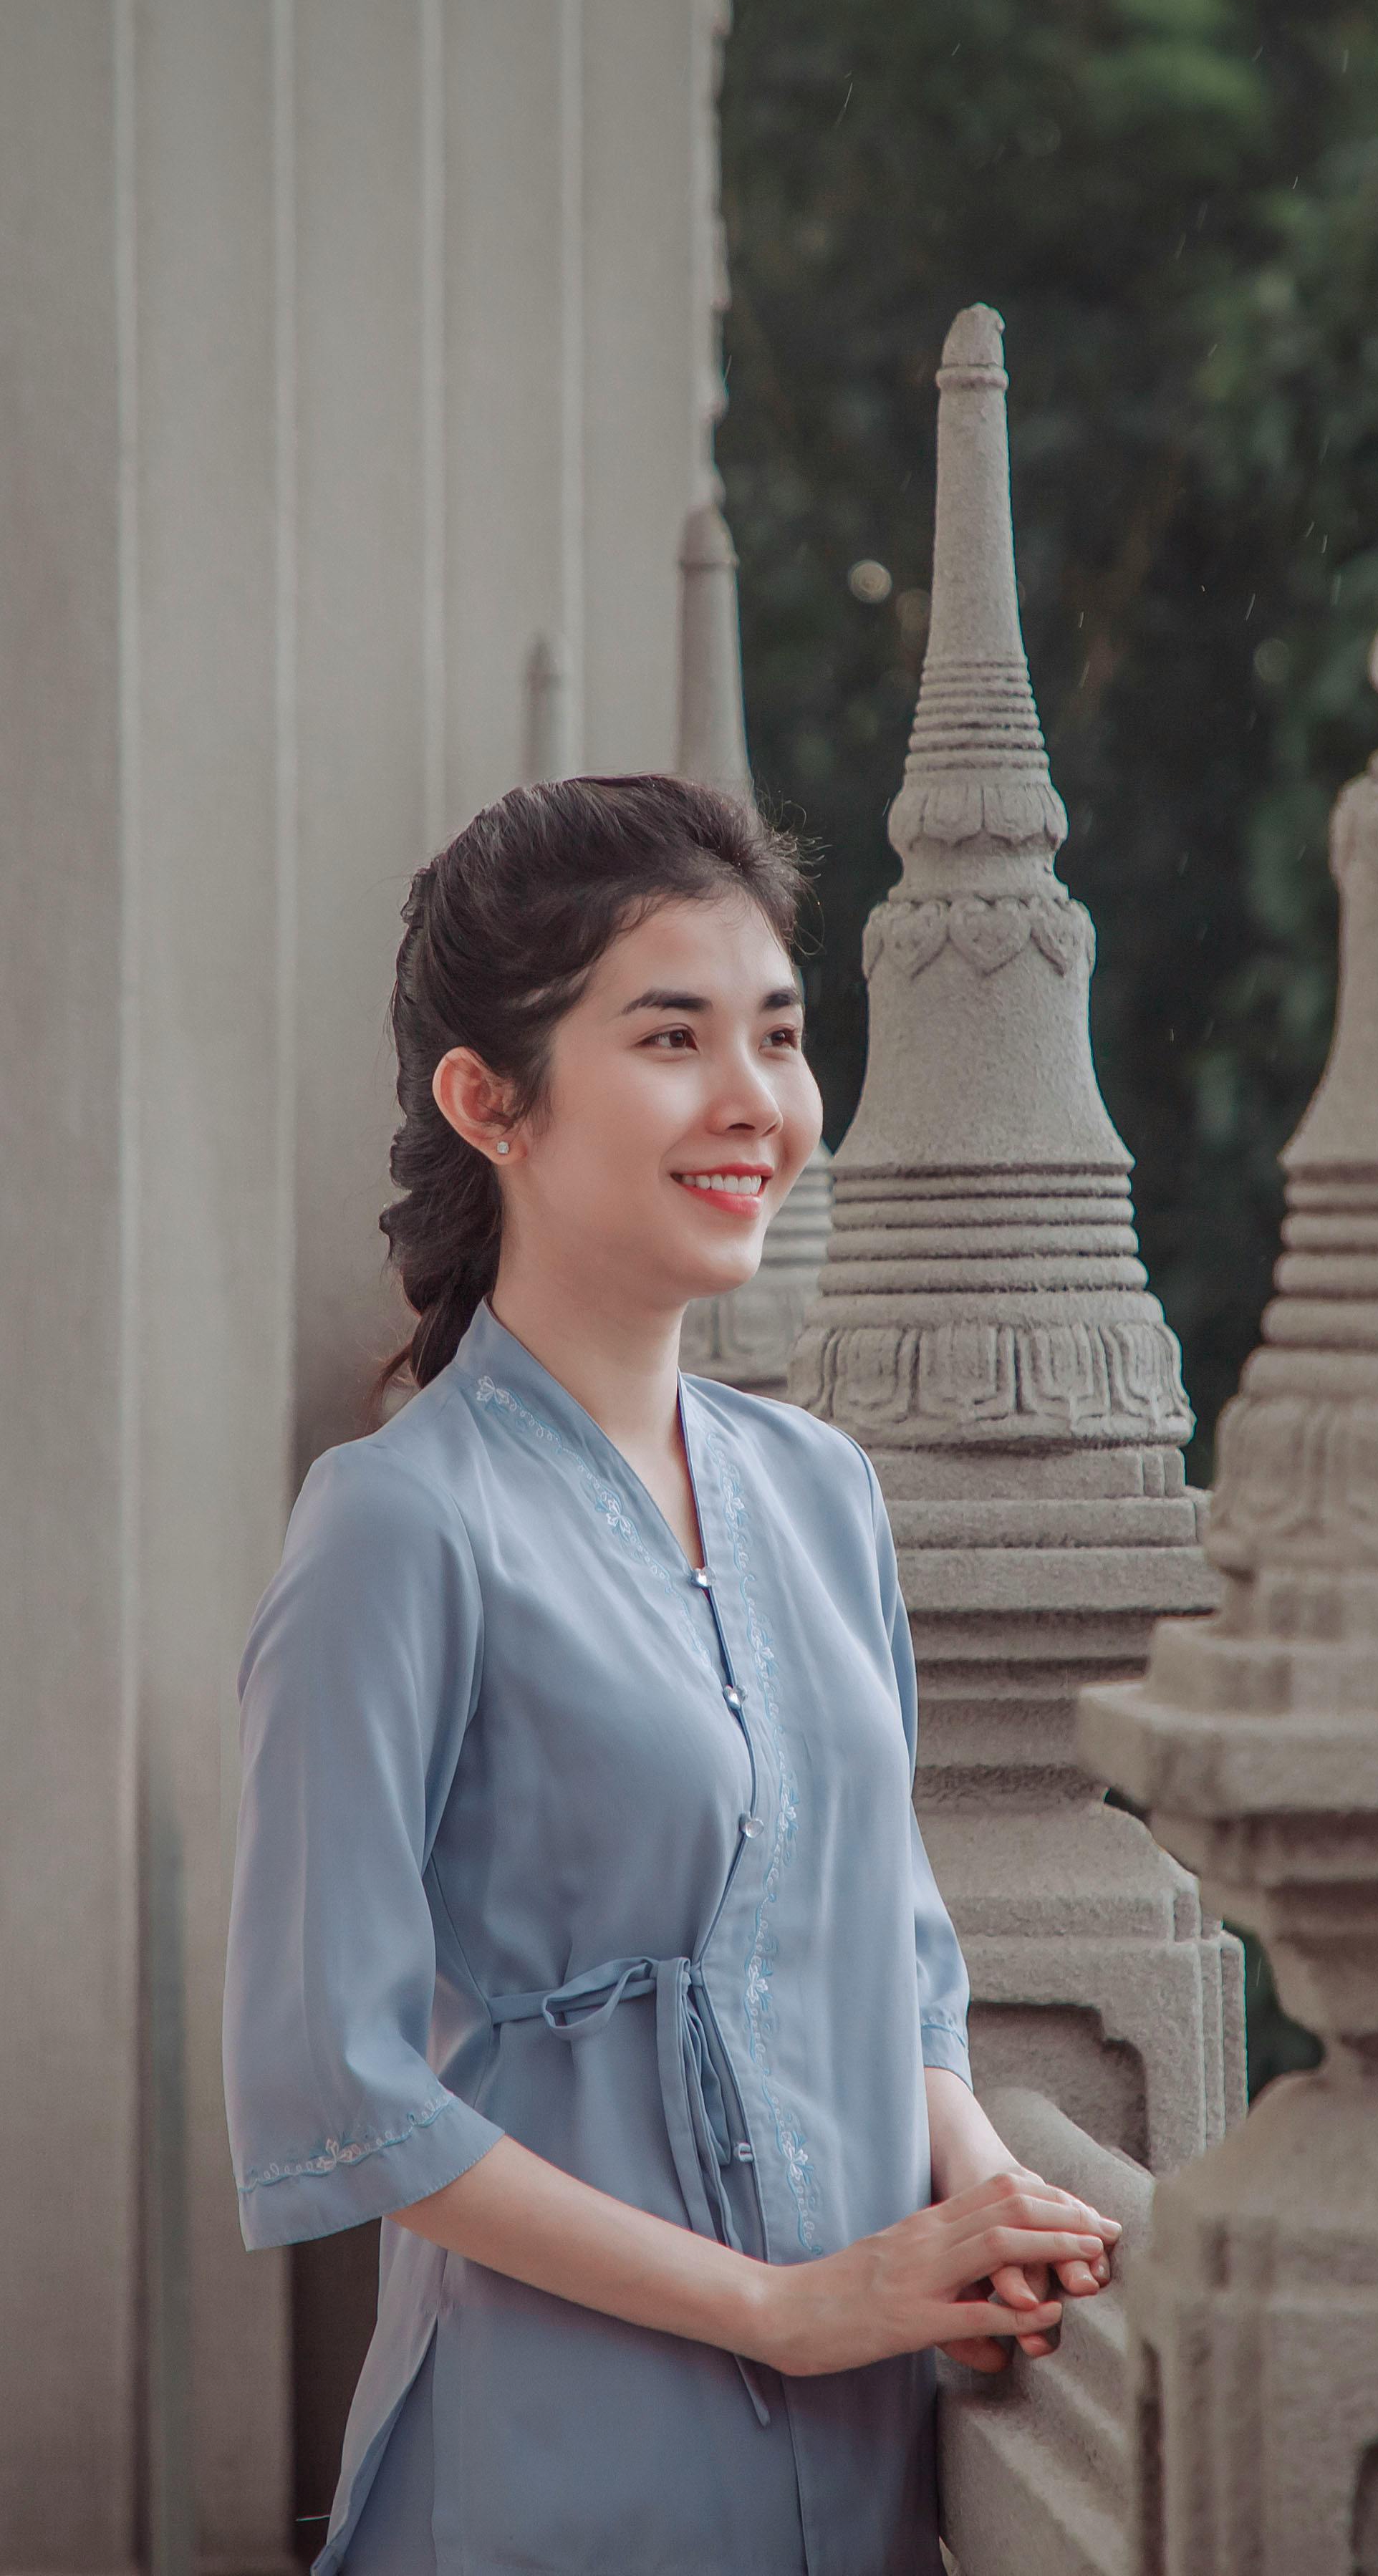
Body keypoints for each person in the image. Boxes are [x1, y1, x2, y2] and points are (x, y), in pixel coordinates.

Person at [222, 775, 1122, 2576]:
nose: (754, 1103)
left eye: (777, 1038)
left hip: (866, 2462)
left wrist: (975, 2183)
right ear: (490, 1101)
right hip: (553, 2462)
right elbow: (338, 2075)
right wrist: (790, 2305)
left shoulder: (825, 1492)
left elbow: (901, 1948)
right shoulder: (398, 1524)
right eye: (670, 1036)